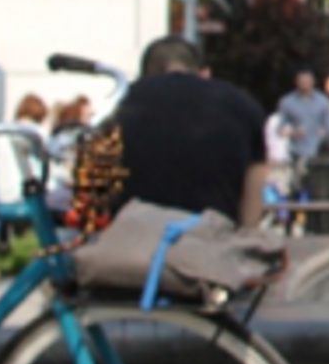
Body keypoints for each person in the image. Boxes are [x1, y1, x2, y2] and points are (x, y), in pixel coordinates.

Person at [107, 37, 270, 227]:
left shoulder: (123, 102)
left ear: (145, 75)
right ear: (204, 74)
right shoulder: (242, 105)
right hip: (210, 239)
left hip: (134, 240)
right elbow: (254, 183)